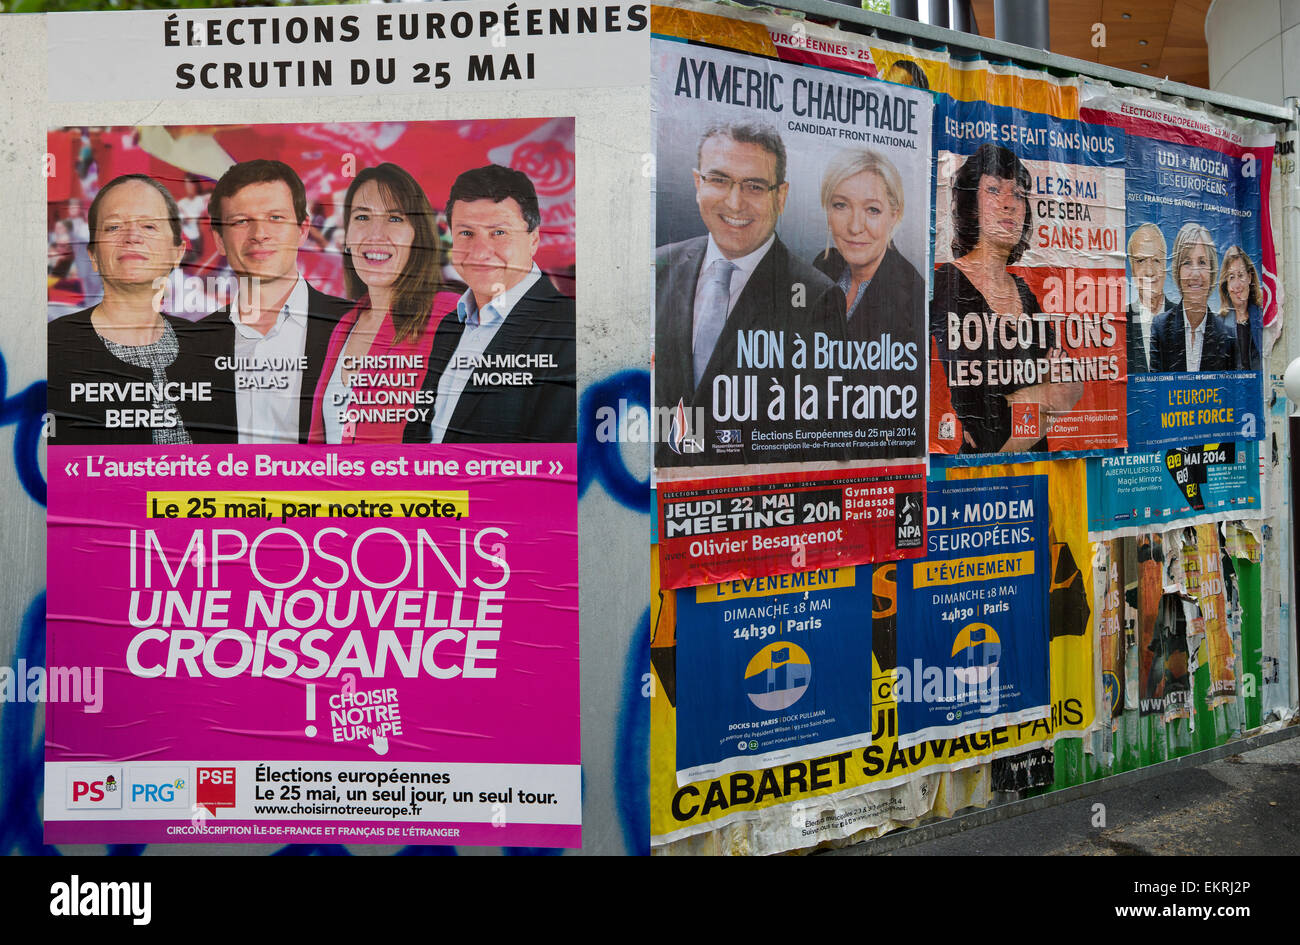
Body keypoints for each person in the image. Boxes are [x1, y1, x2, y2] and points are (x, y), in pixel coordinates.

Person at [654, 120, 843, 464]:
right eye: (719, 179)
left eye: (754, 186)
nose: (735, 202)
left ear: (781, 196)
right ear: (698, 183)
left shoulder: (817, 297)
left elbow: (816, 435)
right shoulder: (658, 267)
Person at [47, 174, 231, 445]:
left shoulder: (212, 352)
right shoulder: (50, 347)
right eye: (113, 227)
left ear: (176, 254)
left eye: (149, 226)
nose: (132, 237)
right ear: (93, 257)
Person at [403, 164, 575, 444]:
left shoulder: (568, 330)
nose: (480, 252)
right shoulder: (451, 324)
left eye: (498, 233)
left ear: (534, 240)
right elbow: (420, 431)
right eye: (466, 233)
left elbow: (555, 465)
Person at [930, 142, 1082, 453]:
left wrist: (1021, 403)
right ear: (971, 201)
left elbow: (1072, 386)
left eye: (1018, 194)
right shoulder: (947, 282)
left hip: (1038, 469)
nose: (1009, 203)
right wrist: (1046, 395)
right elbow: (985, 424)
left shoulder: (1024, 292)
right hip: (976, 478)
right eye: (994, 189)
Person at [198, 159, 350, 444]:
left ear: (303, 229)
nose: (259, 235)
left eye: (275, 218)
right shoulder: (193, 343)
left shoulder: (353, 326)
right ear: (219, 239)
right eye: (241, 221)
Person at [309, 164, 459, 444]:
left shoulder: (452, 315)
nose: (375, 234)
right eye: (362, 216)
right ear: (347, 239)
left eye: (395, 218)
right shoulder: (344, 325)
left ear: (418, 236)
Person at [812, 148, 924, 346]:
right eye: (841, 205)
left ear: (894, 217)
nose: (855, 227)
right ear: (827, 209)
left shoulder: (912, 295)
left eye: (872, 210)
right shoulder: (823, 266)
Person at [1149, 223, 1236, 373]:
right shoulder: (1160, 328)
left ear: (1211, 271)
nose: (1195, 274)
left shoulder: (1228, 336)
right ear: (1177, 271)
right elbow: (1156, 392)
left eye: (1202, 262)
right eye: (1187, 263)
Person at [1125, 223, 1169, 375]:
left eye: (1156, 260)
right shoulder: (1117, 324)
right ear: (1132, 268)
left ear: (1165, 266)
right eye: (1141, 261)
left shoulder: (1186, 318)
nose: (1149, 271)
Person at [1219, 245, 1263, 373]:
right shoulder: (1218, 324)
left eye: (1241, 275)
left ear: (1249, 277)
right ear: (1226, 285)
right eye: (1231, 277)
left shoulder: (1263, 318)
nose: (1237, 285)